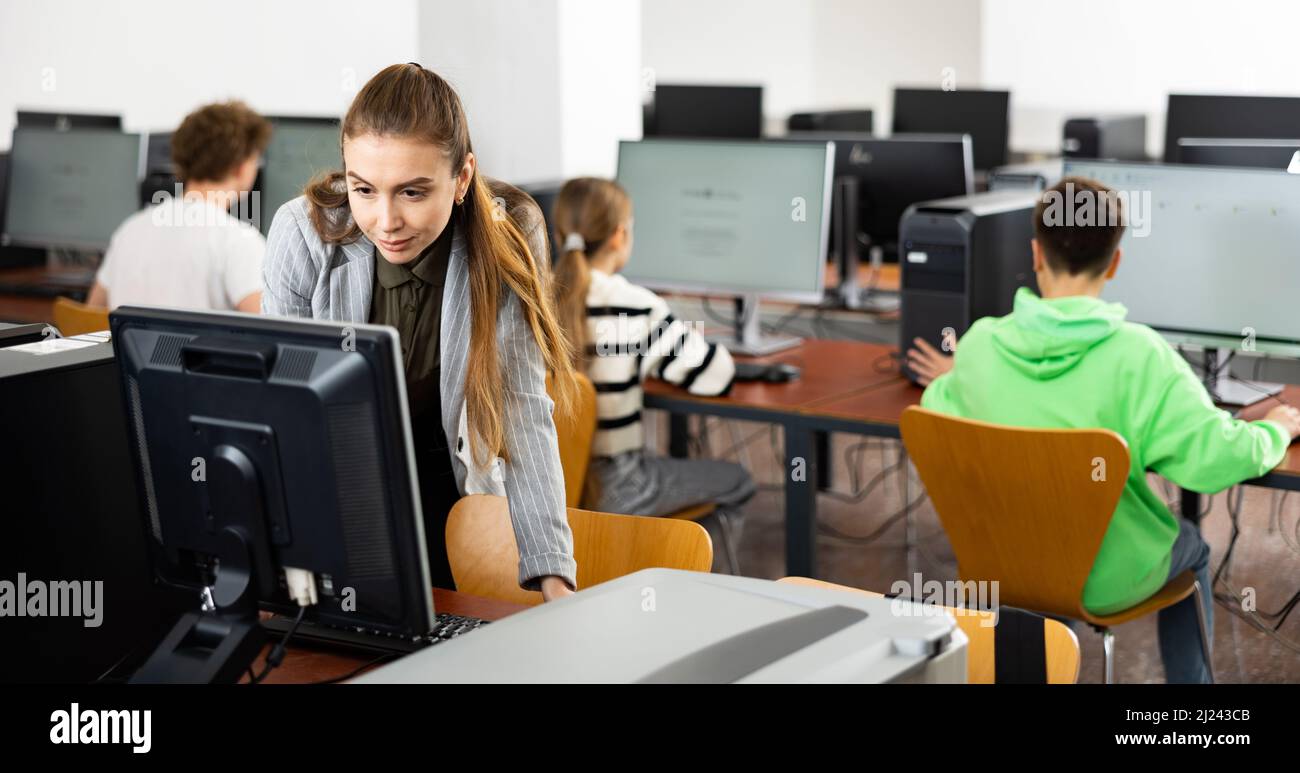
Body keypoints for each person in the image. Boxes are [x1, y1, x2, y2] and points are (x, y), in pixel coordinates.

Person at [920, 176, 1300, 683]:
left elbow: (936, 414)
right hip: (1100, 579)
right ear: (1116, 262)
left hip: (999, 566)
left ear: (1036, 253)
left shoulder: (981, 346)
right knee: (1192, 545)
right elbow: (1216, 458)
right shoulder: (1138, 355)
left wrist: (958, 371)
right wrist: (1275, 427)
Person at [262, 63, 579, 601]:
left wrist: (555, 580)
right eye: (364, 189)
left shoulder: (507, 238)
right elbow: (284, 416)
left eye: (412, 193)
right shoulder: (302, 235)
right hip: (336, 500)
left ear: (462, 178)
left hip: (451, 500)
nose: (385, 220)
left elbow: (523, 410)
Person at [549, 177, 756, 521]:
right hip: (616, 487)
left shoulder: (529, 299)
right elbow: (715, 376)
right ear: (619, 235)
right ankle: (678, 565)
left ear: (559, 235)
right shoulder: (636, 306)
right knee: (737, 480)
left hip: (544, 489)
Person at [88, 101, 268, 312]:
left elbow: (90, 315)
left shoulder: (130, 230)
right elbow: (271, 330)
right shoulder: (239, 241)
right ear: (241, 168)